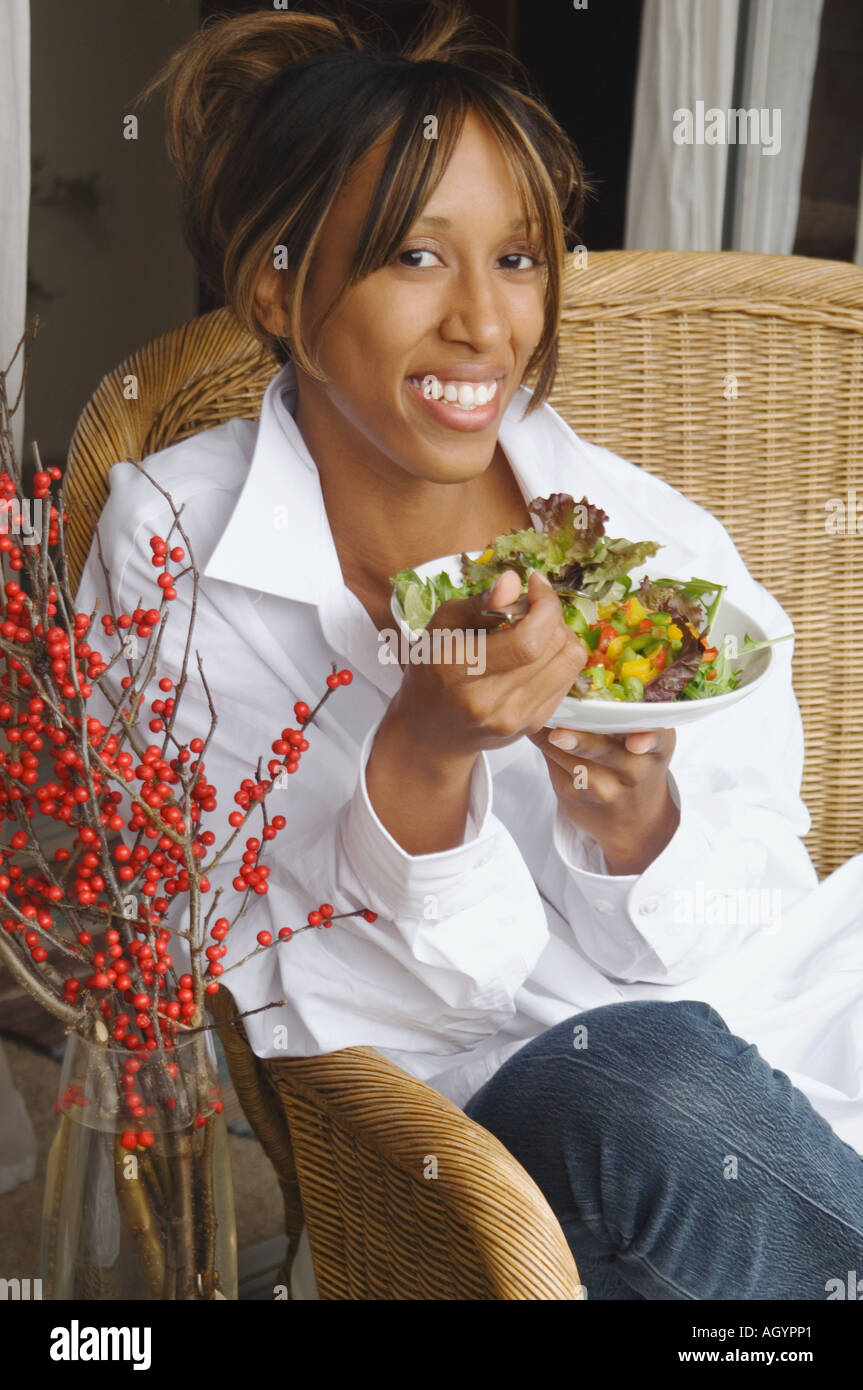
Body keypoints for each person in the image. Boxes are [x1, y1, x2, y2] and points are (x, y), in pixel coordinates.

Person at [74, 3, 863, 1299]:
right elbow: (244, 988)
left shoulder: (647, 540)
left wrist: (637, 824)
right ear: (277, 284)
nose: (484, 327)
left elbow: (761, 907)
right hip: (507, 1136)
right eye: (414, 259)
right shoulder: (182, 543)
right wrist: (426, 764)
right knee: (641, 1071)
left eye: (516, 259)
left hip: (785, 1044)